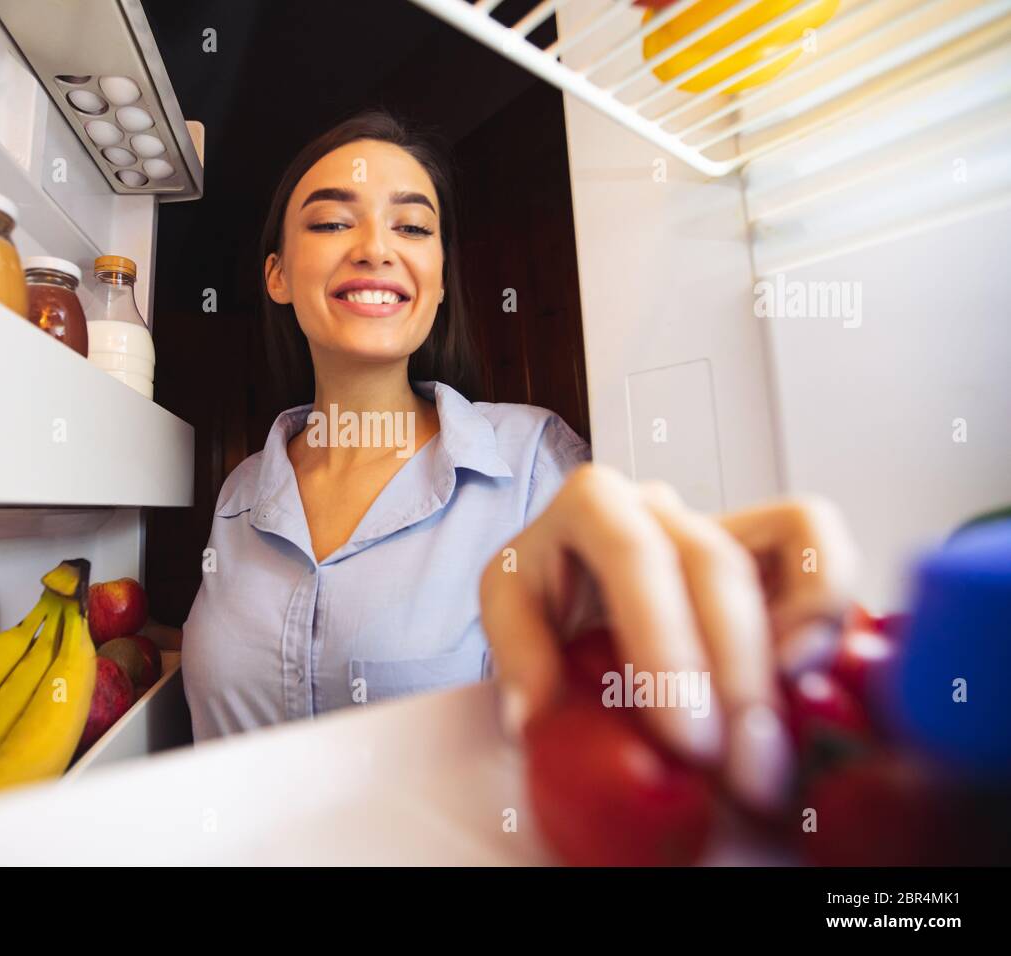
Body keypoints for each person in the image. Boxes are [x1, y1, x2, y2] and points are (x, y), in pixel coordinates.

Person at [180, 108, 857, 813]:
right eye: (331, 223)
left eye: (412, 227)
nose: (377, 247)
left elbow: (624, 680)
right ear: (278, 274)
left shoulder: (535, 465)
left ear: (438, 283)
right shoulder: (239, 496)